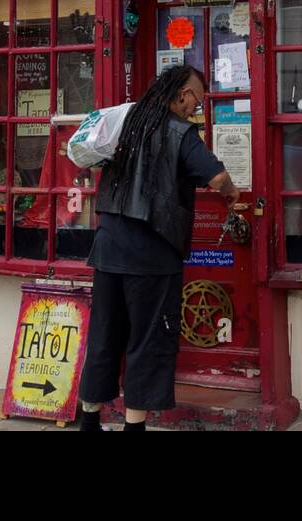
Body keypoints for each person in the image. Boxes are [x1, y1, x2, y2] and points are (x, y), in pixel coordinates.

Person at [77, 64, 239, 431]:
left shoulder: (127, 122)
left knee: (104, 334)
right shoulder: (180, 132)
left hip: (108, 248)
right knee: (147, 340)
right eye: (197, 98)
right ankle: (134, 426)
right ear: (183, 94)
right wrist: (232, 193)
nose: (196, 106)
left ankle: (89, 420)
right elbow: (216, 177)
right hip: (152, 254)